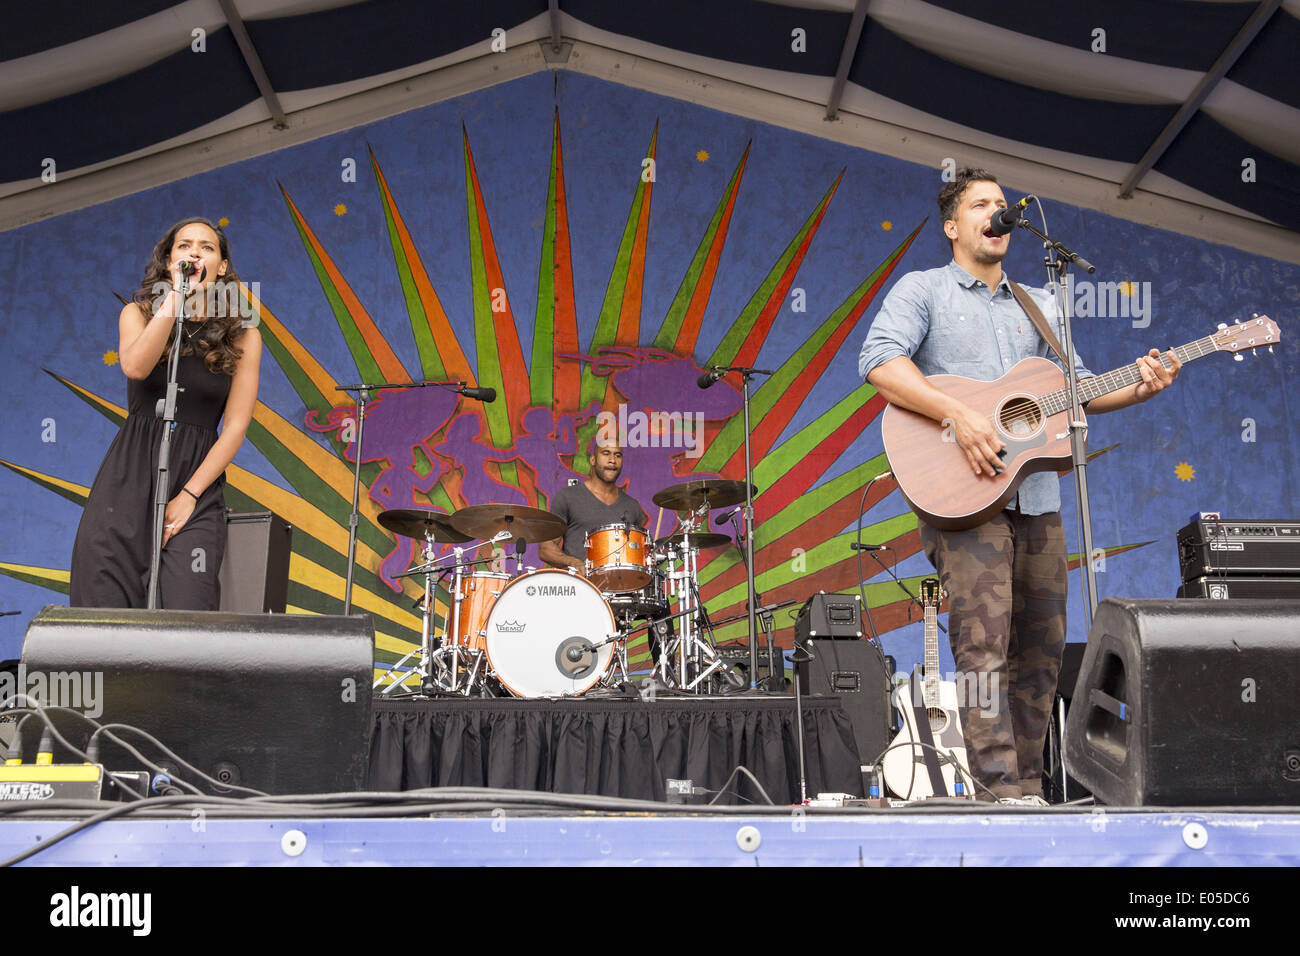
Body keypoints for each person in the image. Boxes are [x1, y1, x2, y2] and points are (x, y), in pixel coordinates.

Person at [858, 168, 1179, 805]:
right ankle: (996, 788)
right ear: (953, 226)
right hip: (963, 495)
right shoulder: (923, 290)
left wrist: (1138, 386)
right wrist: (959, 413)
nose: (996, 213)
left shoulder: (1041, 302)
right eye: (981, 204)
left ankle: (1030, 787)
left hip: (1037, 498)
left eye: (1003, 205)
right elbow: (879, 361)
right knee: (982, 646)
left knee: (1042, 649)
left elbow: (1078, 387)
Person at [70, 217, 263, 609]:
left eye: (207, 247)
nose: (195, 252)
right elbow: (136, 367)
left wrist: (189, 494)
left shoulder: (244, 336)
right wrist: (176, 297)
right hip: (128, 476)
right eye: (184, 246)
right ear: (170, 258)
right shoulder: (137, 314)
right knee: (103, 606)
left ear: (222, 266)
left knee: (187, 609)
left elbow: (236, 426)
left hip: (196, 481)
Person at [539, 439, 648, 576]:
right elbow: (545, 548)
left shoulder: (633, 506)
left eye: (617, 455)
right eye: (606, 453)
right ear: (593, 460)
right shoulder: (567, 497)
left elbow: (641, 555)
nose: (612, 460)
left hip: (622, 592)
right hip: (580, 588)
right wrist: (573, 562)